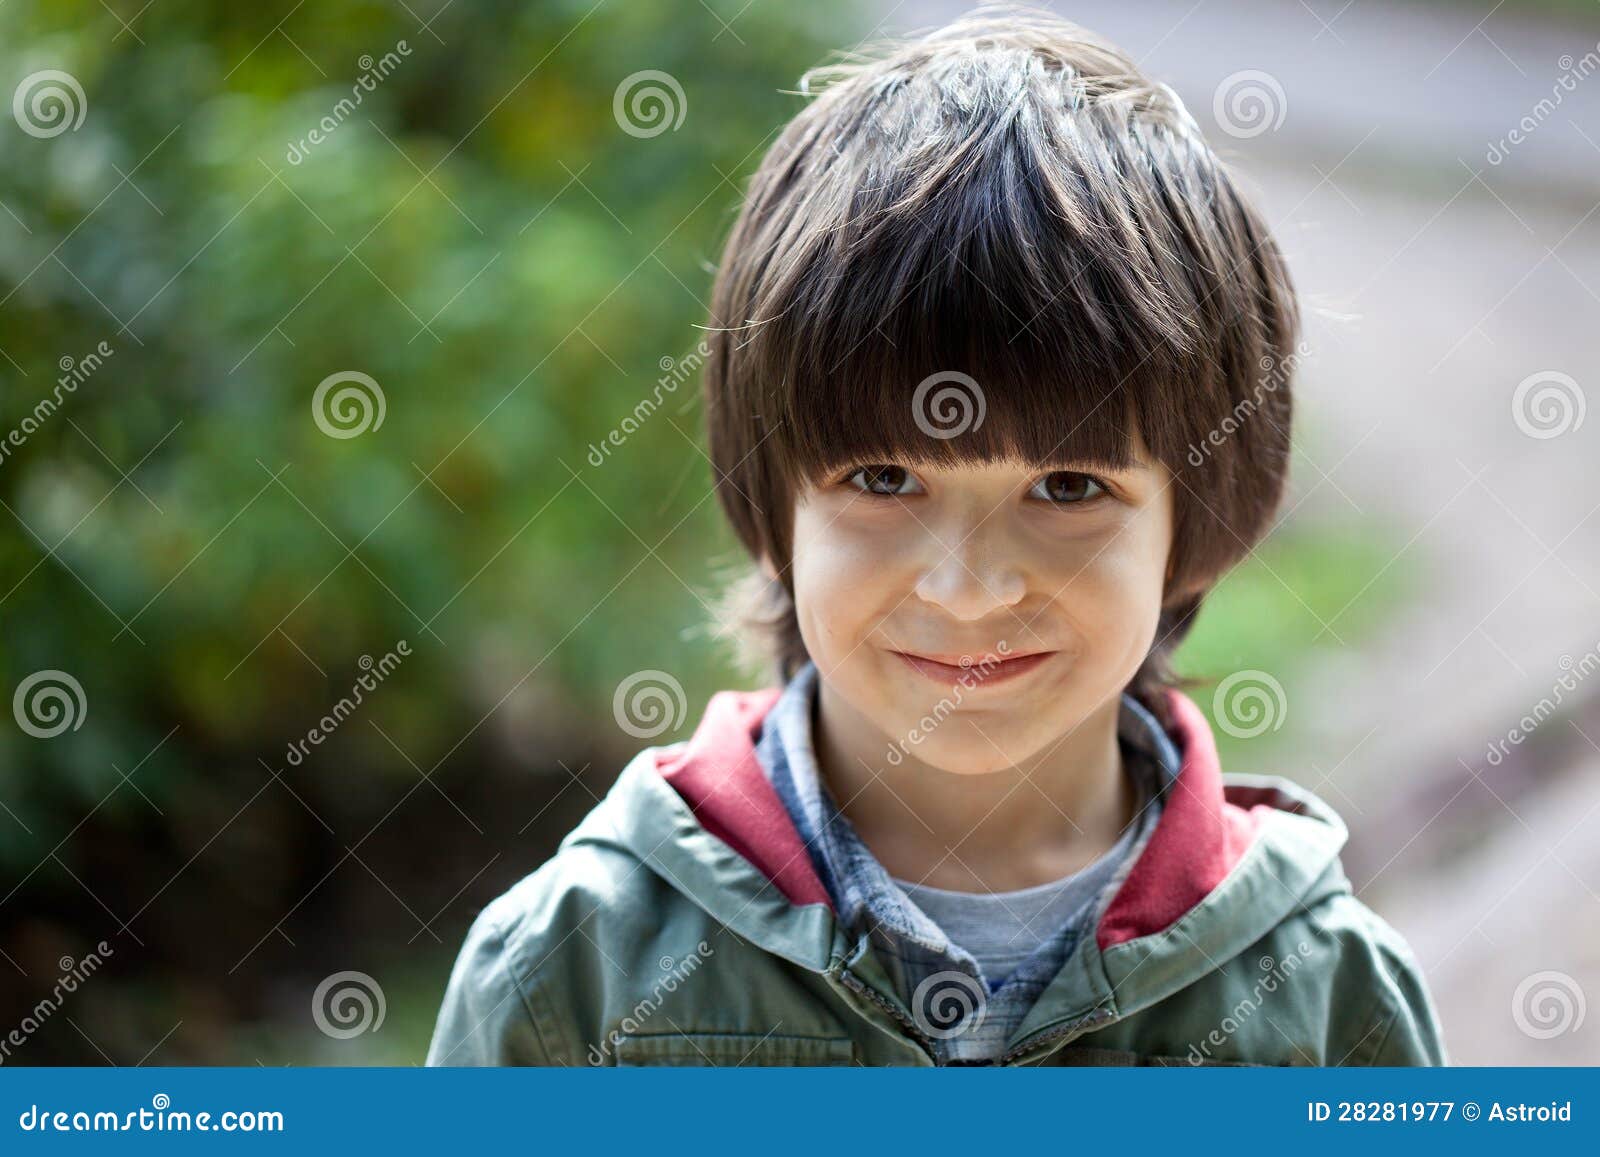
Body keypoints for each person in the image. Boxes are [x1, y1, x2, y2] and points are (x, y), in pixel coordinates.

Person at [426, 5, 1447, 1067]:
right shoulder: (571, 979)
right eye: (882, 477)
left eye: (1065, 484)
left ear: (1202, 520)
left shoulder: (1327, 999)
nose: (969, 588)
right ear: (770, 507)